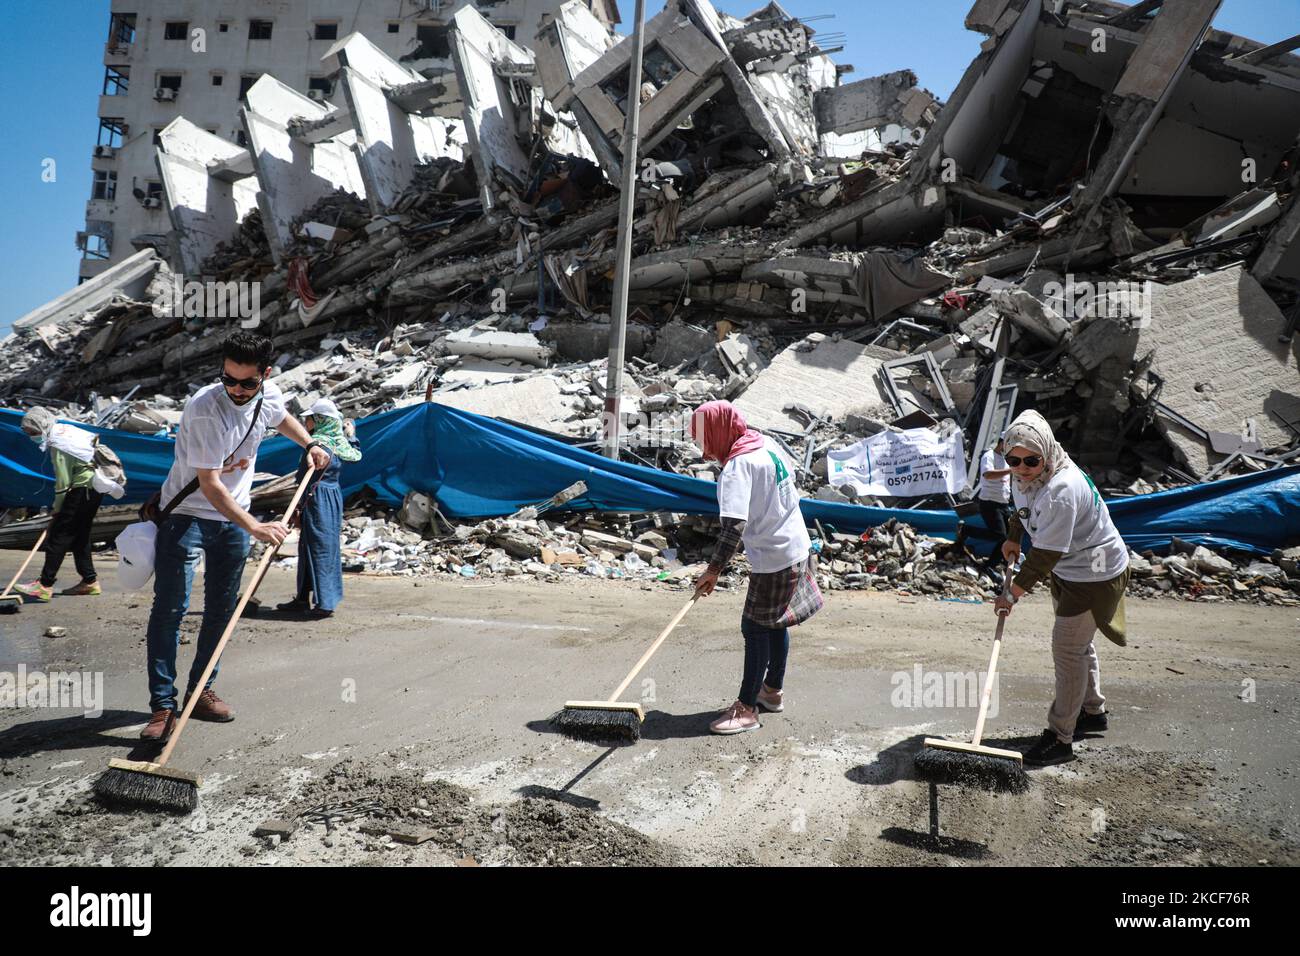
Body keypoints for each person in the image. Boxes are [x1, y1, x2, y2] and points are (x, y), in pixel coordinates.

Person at [141, 332, 331, 742]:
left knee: (223, 611)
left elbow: (281, 418)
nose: (236, 390)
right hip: (188, 515)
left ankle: (201, 691)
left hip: (231, 521)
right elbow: (209, 485)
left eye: (246, 383)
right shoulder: (206, 410)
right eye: (228, 379)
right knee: (171, 609)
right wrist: (255, 527)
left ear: (265, 374)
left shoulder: (267, 395)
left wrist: (310, 442)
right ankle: (162, 706)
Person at [995, 410, 1130, 767]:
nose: (1021, 468)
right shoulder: (1029, 475)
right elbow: (1023, 509)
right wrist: (1013, 536)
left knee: (1067, 649)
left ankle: (1060, 738)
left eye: (1031, 460)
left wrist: (1011, 595)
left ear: (1047, 452)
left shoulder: (1062, 488)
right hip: (1073, 568)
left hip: (1095, 573)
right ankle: (1092, 711)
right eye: (1013, 460)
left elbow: (1046, 555)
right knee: (1078, 644)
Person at [691, 401, 823, 735]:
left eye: (703, 438)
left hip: (774, 558)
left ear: (719, 431)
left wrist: (713, 570)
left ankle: (747, 708)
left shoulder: (737, 467)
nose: (701, 448)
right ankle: (772, 691)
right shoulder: (764, 443)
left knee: (754, 628)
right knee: (775, 624)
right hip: (796, 546)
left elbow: (734, 526)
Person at [277, 398, 360, 618]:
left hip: (316, 498)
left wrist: (297, 507)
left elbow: (302, 477)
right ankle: (303, 598)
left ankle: (326, 602)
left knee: (319, 548)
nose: (305, 422)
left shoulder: (317, 446)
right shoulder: (338, 443)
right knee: (311, 546)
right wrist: (352, 435)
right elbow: (354, 452)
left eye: (309, 418)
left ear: (319, 420)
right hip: (331, 498)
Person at [14, 408, 105, 600]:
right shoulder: (66, 431)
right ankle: (89, 581)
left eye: (33, 432)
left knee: (59, 535)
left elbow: (63, 483)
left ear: (42, 425)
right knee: (80, 536)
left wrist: (57, 509)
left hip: (81, 489)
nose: (33, 437)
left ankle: (44, 585)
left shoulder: (58, 443)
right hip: (94, 488)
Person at [978, 437, 1013, 575]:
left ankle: (1000, 563)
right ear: (1001, 443)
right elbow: (988, 474)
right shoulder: (989, 456)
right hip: (990, 501)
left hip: (1003, 502)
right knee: (1000, 535)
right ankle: (990, 565)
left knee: (1010, 537)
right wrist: (1011, 470)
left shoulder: (1006, 459)